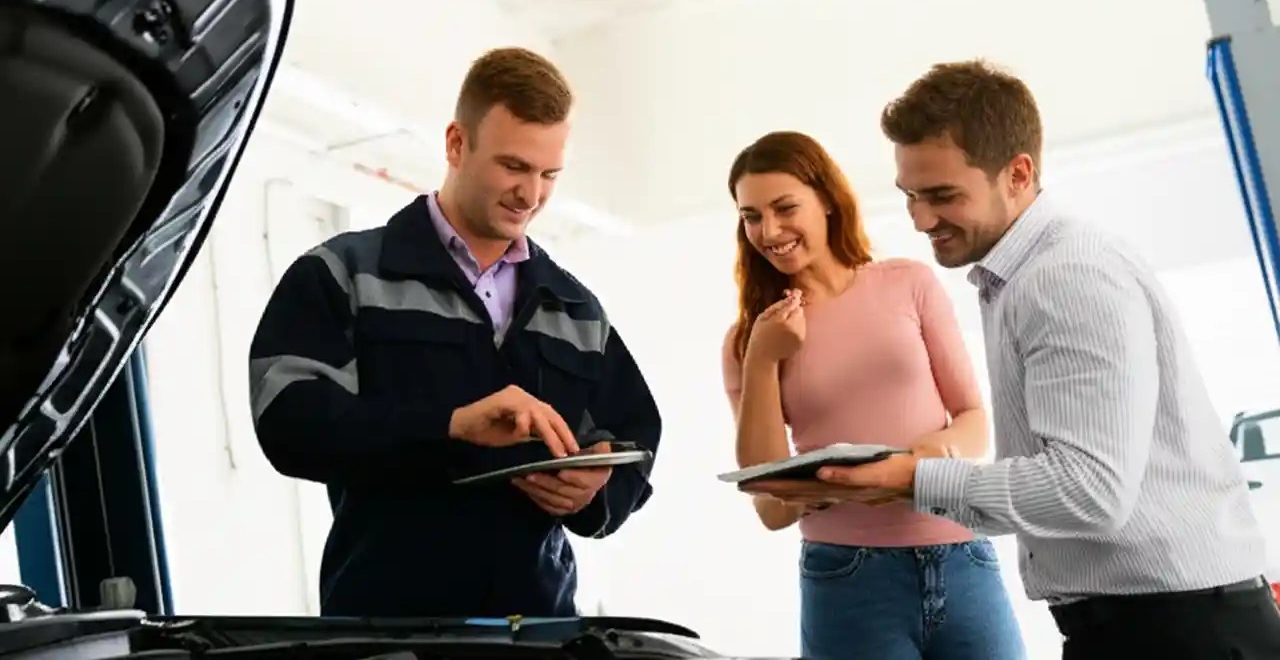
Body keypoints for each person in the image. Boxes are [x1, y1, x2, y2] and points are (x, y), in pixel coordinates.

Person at [818, 59, 1280, 658]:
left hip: (1180, 632)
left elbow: (1089, 490)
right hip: (1141, 627)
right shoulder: (1018, 277)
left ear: (1018, 173)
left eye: (942, 196)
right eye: (910, 195)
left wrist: (914, 480)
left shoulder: (1065, 277)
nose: (921, 220)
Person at [247, 47, 662, 619]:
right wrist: (448, 429)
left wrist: (593, 495)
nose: (531, 194)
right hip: (387, 633)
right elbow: (288, 421)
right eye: (514, 167)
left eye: (549, 175)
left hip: (537, 635)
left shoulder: (576, 309)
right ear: (456, 144)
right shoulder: (343, 275)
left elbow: (635, 443)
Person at [719, 130, 1026, 659]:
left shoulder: (909, 283)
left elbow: (973, 420)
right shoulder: (751, 339)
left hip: (962, 554)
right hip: (848, 576)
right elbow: (770, 506)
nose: (768, 230)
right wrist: (765, 358)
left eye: (785, 207)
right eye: (751, 216)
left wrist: (920, 460)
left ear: (828, 203)